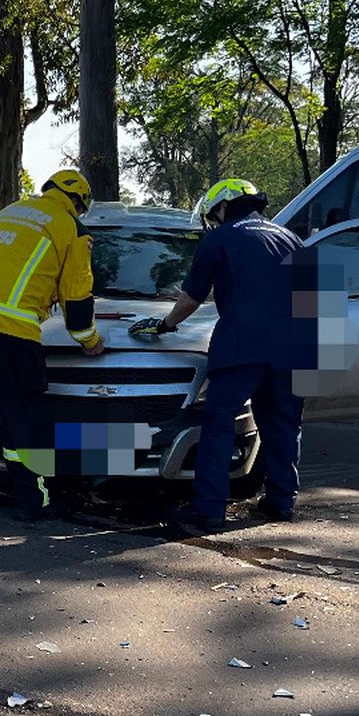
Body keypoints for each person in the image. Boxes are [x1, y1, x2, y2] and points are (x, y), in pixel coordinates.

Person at [0, 169, 105, 519]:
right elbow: (77, 296)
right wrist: (90, 340)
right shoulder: (72, 229)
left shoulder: (11, 212)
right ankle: (30, 501)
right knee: (22, 418)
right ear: (79, 203)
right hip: (12, 331)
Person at [134, 178, 304, 533]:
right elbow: (320, 300)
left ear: (225, 207)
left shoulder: (220, 239)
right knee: (283, 425)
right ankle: (281, 502)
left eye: (215, 213)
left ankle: (209, 510)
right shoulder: (292, 238)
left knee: (217, 421)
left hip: (241, 347)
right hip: (293, 348)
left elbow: (192, 298)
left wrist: (164, 325)